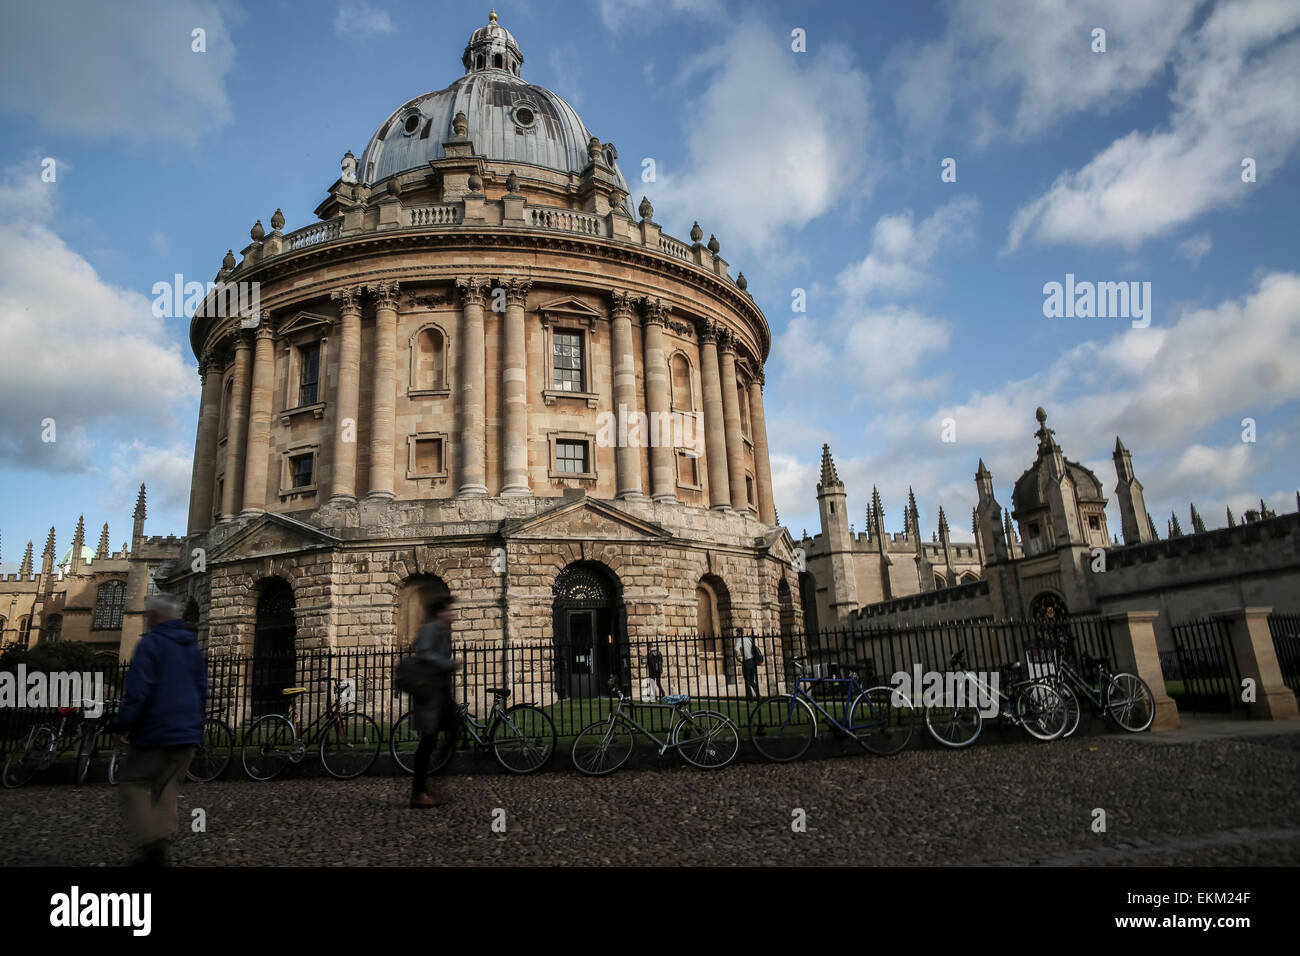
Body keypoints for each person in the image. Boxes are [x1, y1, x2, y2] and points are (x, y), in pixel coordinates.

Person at [113, 593, 206, 866]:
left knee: (134, 783)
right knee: (166, 787)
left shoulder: (150, 644)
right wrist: (196, 725)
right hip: (187, 732)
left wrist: (123, 725)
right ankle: (162, 838)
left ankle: (152, 842)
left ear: (154, 616)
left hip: (157, 730)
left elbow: (138, 691)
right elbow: (202, 689)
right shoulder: (191, 646)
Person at [409, 596, 460, 809]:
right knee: (427, 743)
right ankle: (420, 792)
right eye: (450, 609)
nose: (453, 613)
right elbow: (423, 653)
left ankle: (431, 778)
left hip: (440, 694)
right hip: (430, 696)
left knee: (455, 730)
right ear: (441, 611)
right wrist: (449, 664)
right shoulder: (430, 629)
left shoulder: (441, 631)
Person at [734, 629, 761, 701]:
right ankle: (758, 695)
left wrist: (737, 657)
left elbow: (736, 649)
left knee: (747, 681)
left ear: (738, 633)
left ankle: (750, 698)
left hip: (747, 662)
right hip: (753, 661)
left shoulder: (740, 640)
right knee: (752, 681)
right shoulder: (749, 639)